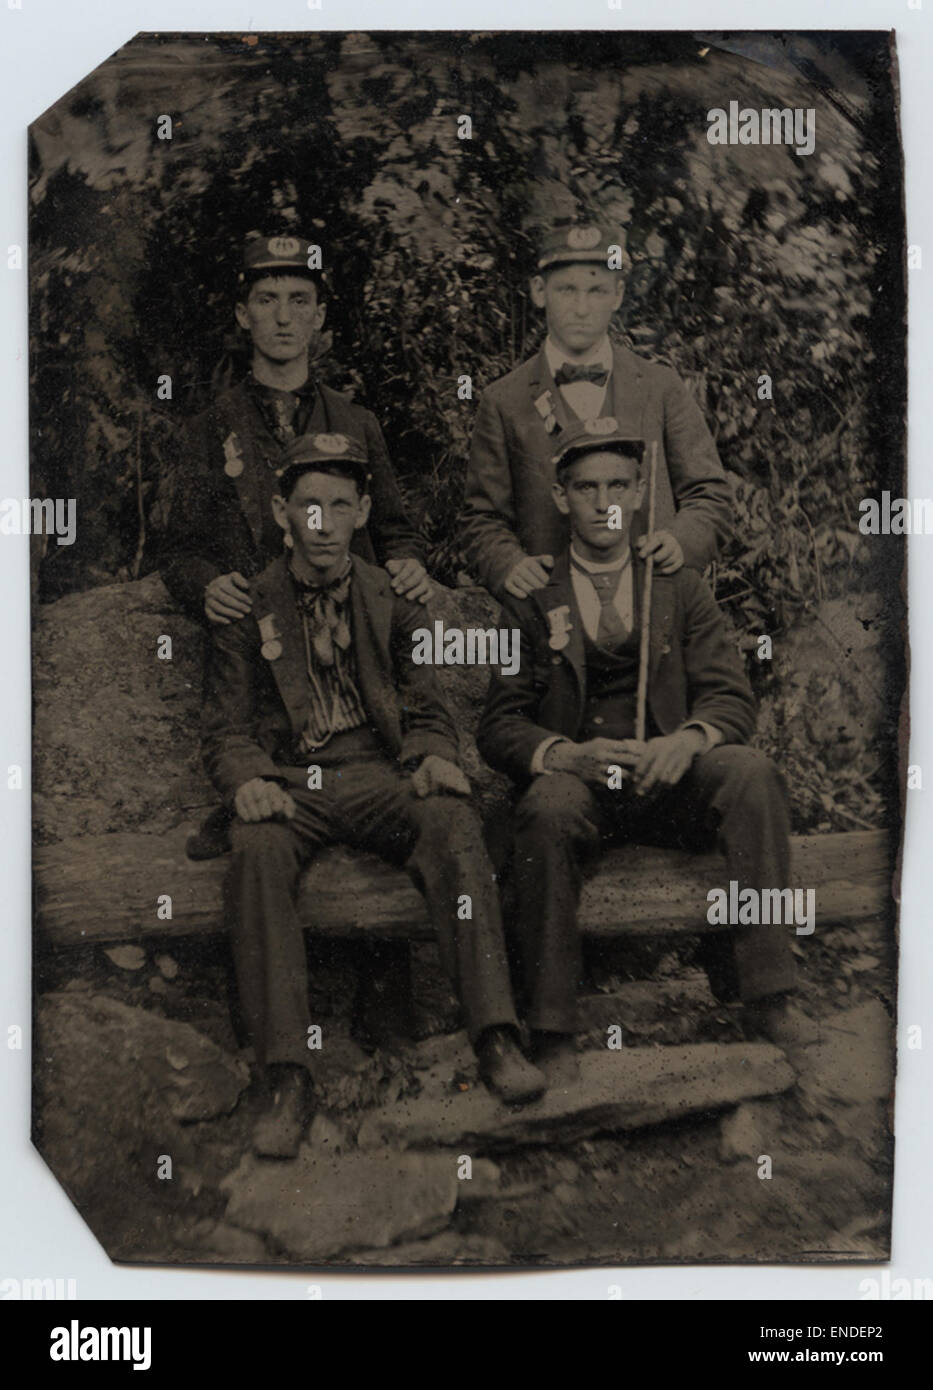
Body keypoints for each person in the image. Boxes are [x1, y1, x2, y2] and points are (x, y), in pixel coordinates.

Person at [202, 431, 546, 1157]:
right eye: (307, 506)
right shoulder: (248, 605)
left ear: (362, 511)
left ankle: (494, 1035)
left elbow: (426, 707)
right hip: (293, 781)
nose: (323, 524)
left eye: (338, 504)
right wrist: (251, 782)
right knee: (255, 849)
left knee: (454, 821)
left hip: (380, 776)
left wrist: (431, 758)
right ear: (280, 512)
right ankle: (287, 1075)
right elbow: (226, 730)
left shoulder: (394, 599)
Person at [476, 417, 813, 1084]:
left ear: (637, 495)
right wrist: (562, 754)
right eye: (585, 486)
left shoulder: (677, 586)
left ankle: (768, 993)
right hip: (579, 788)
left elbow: (729, 698)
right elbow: (500, 725)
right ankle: (550, 1028)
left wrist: (687, 741)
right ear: (560, 495)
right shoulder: (531, 596)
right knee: (542, 812)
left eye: (617, 486)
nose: (602, 502)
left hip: (665, 786)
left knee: (749, 773)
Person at [162, 231, 430, 624]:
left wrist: (407, 563)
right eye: (267, 300)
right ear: (242, 314)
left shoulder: (358, 423)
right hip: (254, 633)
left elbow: (395, 532)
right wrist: (208, 586)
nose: (283, 318)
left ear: (318, 316)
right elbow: (178, 551)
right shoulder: (210, 428)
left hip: (348, 632)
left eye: (299, 300)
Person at [461, 219, 733, 601]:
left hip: (654, 604)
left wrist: (679, 542)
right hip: (552, 612)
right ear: (539, 292)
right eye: (567, 291)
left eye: (597, 291)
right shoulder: (504, 400)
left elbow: (711, 493)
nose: (582, 308)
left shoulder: (660, 387)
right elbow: (482, 518)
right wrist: (509, 564)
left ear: (618, 295)